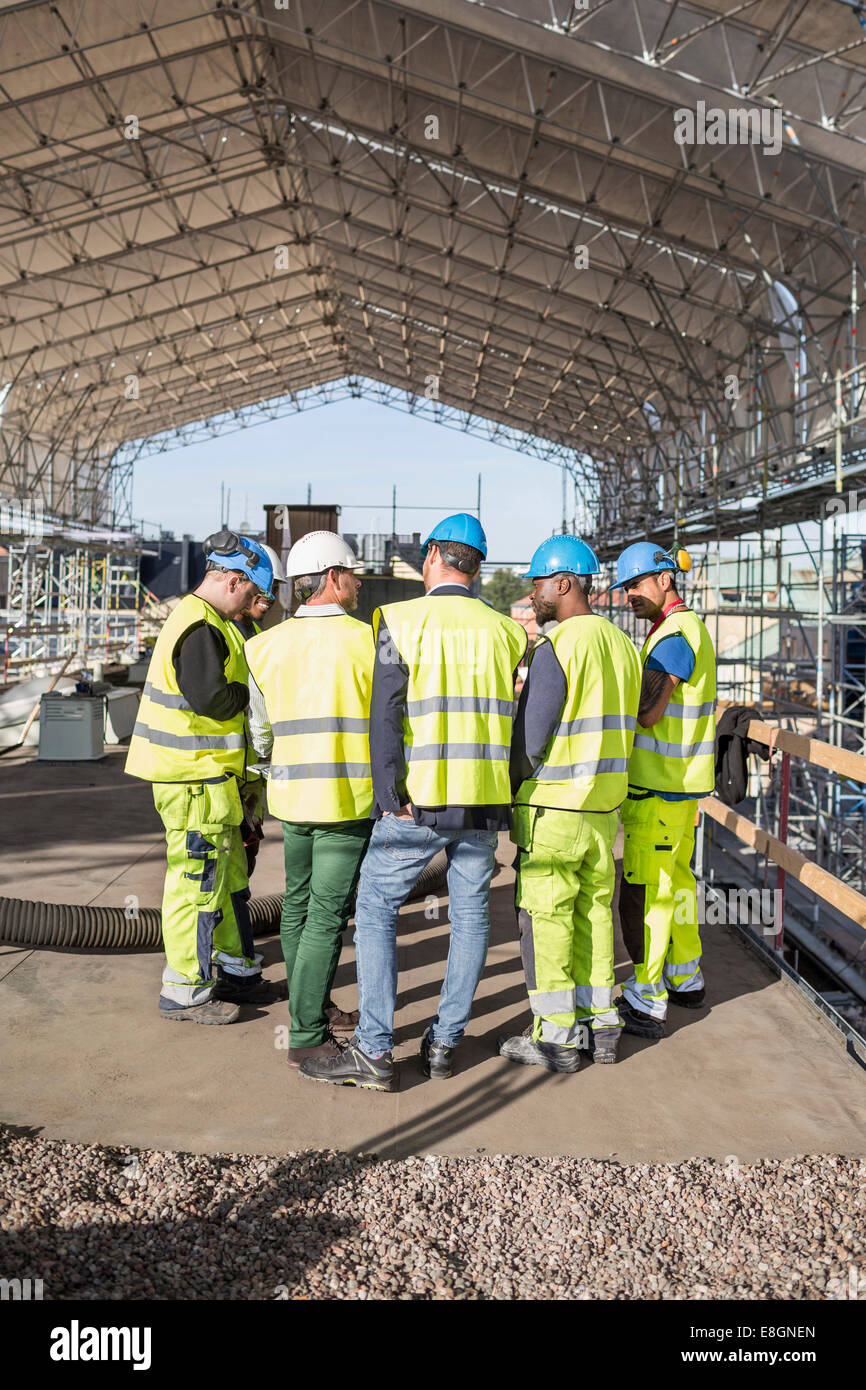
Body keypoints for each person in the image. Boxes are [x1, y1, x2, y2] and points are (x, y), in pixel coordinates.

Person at [299, 513, 528, 1092]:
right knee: (471, 917)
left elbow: (387, 715)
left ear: (431, 556)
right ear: (479, 567)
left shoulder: (400, 619)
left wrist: (386, 795)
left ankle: (375, 1050)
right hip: (483, 803)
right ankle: (444, 1044)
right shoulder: (506, 630)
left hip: (420, 802)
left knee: (376, 909)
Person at [499, 536, 642, 1073]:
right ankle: (602, 1025)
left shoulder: (556, 647)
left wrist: (511, 785)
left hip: (555, 809)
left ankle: (556, 1038)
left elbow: (532, 739)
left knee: (548, 921)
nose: (532, 592)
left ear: (564, 583)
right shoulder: (623, 645)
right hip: (604, 812)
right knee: (593, 917)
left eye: (537, 582)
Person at [125, 530, 276, 1023]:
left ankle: (235, 970)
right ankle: (186, 990)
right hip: (192, 781)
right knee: (197, 884)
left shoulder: (217, 623)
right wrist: (254, 694)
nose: (256, 606)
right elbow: (214, 701)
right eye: (254, 595)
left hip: (214, 782)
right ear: (233, 580)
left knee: (228, 881)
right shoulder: (197, 625)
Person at [245, 532, 375, 1069]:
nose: (359, 581)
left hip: (291, 796)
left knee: (297, 906)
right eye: (352, 572)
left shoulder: (262, 645)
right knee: (326, 917)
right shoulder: (371, 641)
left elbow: (260, 736)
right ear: (331, 578)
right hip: (346, 799)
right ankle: (307, 1038)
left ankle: (313, 1006)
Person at [609, 542, 717, 1039]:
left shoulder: (674, 635)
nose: (629, 594)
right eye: (625, 587)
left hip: (657, 791)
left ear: (665, 579)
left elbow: (648, 712)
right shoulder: (678, 630)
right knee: (676, 887)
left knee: (647, 894)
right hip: (678, 792)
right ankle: (685, 978)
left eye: (635, 584)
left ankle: (647, 998)